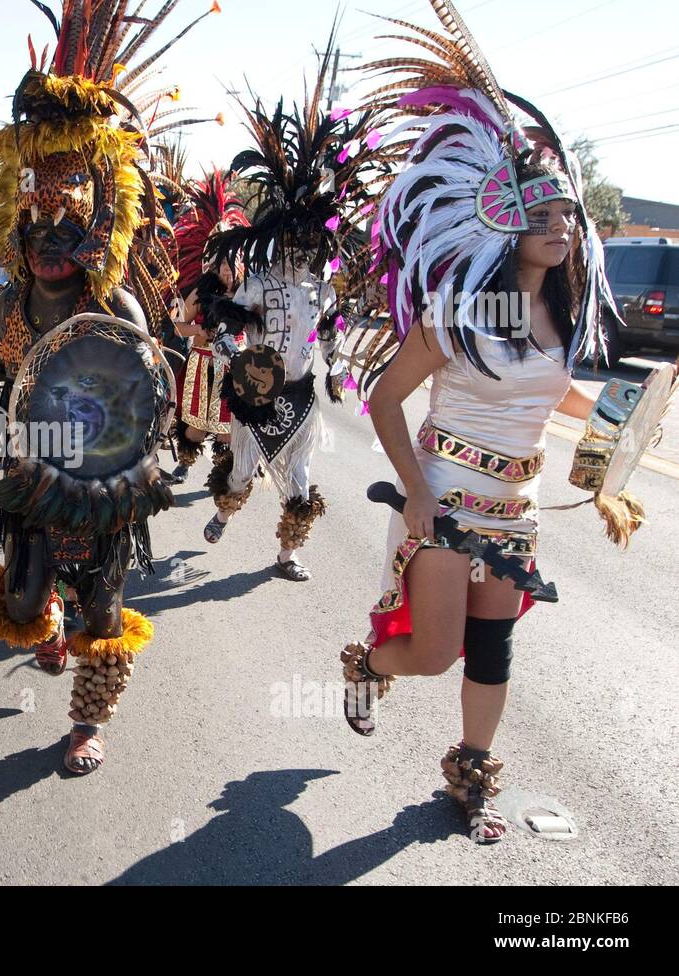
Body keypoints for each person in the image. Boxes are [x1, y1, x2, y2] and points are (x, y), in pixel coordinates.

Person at [339, 1, 623, 843]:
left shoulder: (558, 326)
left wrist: (623, 424)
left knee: (493, 650)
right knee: (431, 653)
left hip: (517, 510)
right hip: (446, 501)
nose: (558, 228)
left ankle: (472, 782)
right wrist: (418, 496)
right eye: (540, 216)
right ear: (503, 220)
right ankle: (366, 664)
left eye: (567, 216)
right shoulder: (460, 309)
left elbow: (557, 399)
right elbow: (385, 399)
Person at [0, 0, 214, 775]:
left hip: (105, 492)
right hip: (30, 480)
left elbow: (151, 390)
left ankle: (87, 725)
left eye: (68, 230)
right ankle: (47, 620)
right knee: (24, 603)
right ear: (16, 230)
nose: (48, 246)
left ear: (98, 229)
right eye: (35, 230)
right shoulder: (10, 304)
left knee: (105, 609)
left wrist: (140, 436)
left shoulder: (116, 307)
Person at [197, 43, 391, 582]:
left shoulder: (324, 292)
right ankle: (223, 510)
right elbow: (226, 325)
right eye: (296, 242)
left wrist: (336, 376)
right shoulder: (258, 284)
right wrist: (233, 363)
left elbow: (328, 339)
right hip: (259, 393)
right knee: (240, 472)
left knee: (300, 477)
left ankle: (286, 554)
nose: (304, 253)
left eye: (312, 244)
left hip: (301, 396)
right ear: (279, 240)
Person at [167, 171, 247, 486]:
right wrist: (199, 333)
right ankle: (185, 464)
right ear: (215, 266)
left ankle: (222, 478)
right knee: (194, 428)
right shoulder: (201, 292)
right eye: (224, 265)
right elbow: (177, 325)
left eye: (234, 264)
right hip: (202, 367)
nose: (229, 270)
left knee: (228, 431)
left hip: (233, 370)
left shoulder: (247, 293)